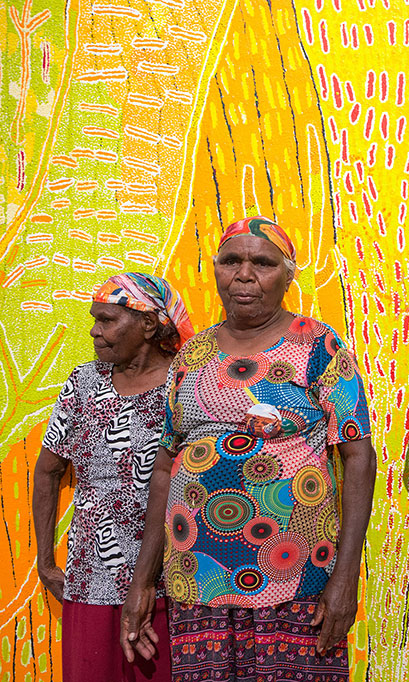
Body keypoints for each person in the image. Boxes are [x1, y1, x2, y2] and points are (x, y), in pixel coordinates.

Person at [119, 216, 377, 682]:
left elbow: (357, 455)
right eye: (231, 261)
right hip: (196, 576)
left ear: (287, 274)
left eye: (262, 262)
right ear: (215, 270)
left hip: (294, 571)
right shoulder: (192, 355)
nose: (244, 274)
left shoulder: (317, 345)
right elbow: (164, 466)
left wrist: (346, 575)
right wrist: (142, 582)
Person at [33, 272, 194, 682]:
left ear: (148, 323)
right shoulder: (83, 384)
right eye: (95, 318)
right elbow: (49, 470)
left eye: (106, 320)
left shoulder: (188, 387)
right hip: (90, 579)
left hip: (167, 583)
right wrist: (46, 561)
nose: (94, 330)